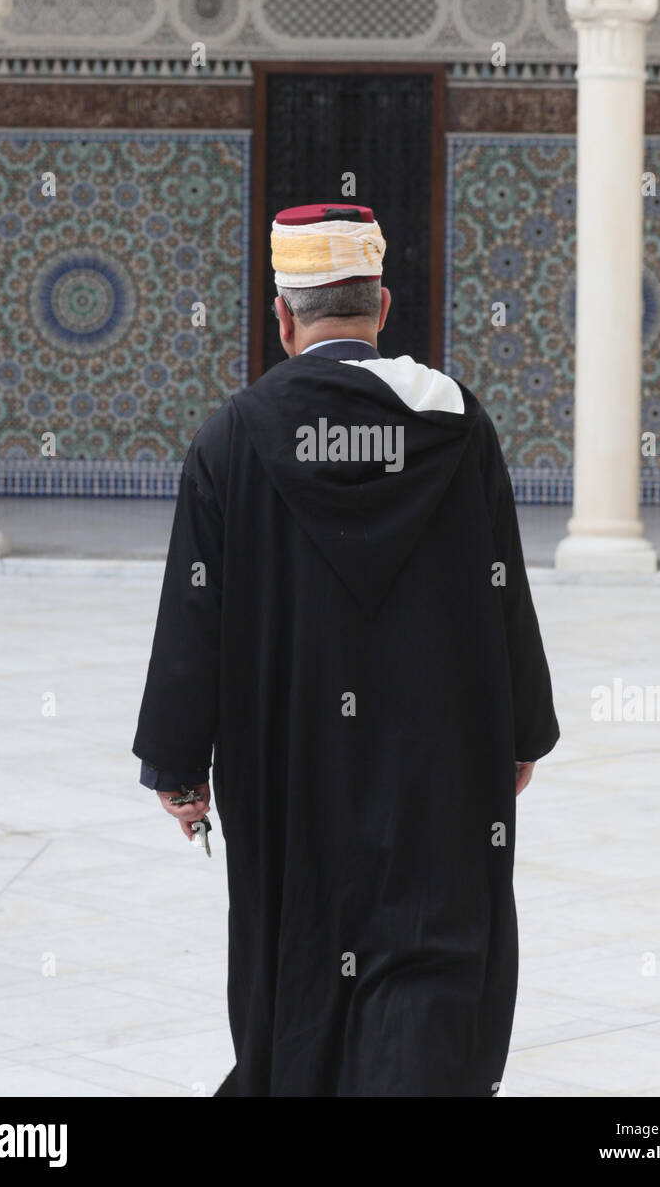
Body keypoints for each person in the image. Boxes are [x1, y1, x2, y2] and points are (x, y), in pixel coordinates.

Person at [133, 202, 559, 1097]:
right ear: (384, 304)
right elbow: (502, 585)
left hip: (288, 766)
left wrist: (178, 766)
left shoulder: (233, 438)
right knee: (428, 943)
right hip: (437, 763)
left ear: (283, 318)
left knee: (299, 944)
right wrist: (521, 729)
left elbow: (192, 618)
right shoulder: (458, 424)